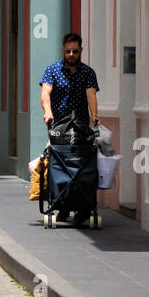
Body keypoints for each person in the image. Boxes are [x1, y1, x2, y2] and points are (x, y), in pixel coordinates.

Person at [39, 33, 100, 227]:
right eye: (68, 51)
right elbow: (45, 92)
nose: (71, 54)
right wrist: (47, 112)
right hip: (59, 127)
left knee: (81, 166)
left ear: (81, 50)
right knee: (60, 165)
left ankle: (82, 208)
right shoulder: (53, 70)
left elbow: (90, 94)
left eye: (75, 51)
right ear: (63, 50)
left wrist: (94, 114)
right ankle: (62, 207)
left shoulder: (88, 72)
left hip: (81, 127)